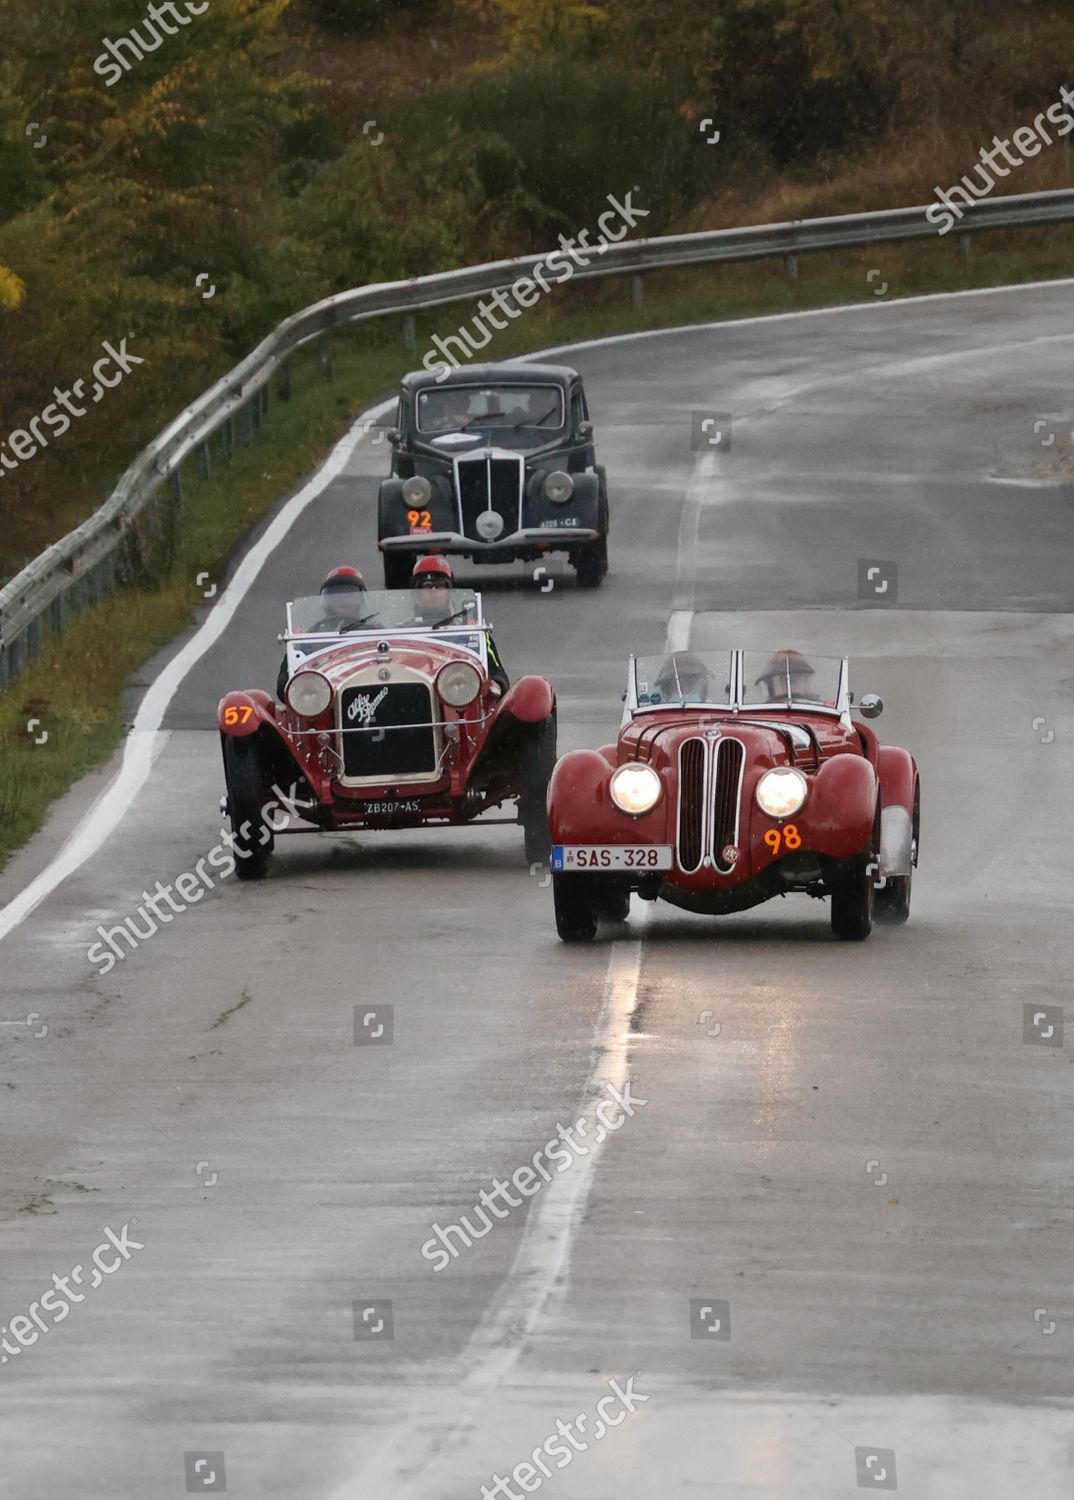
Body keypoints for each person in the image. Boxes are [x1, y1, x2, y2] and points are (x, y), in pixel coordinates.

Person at [409, 555, 510, 693]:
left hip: (460, 697)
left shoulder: (470, 629)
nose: (433, 591)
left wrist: (497, 684)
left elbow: (497, 672)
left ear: (450, 592)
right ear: (416, 594)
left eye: (439, 586)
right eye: (427, 586)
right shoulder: (402, 630)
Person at [277, 566, 369, 700]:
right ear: (327, 600)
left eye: (350, 596)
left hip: (366, 686)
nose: (343, 602)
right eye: (336, 596)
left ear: (361, 600)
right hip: (323, 698)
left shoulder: (375, 630)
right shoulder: (311, 637)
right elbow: (284, 686)